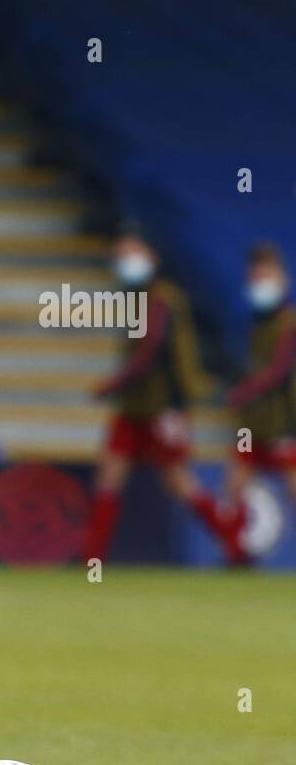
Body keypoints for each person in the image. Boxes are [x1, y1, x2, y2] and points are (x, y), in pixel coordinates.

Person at [82, 226, 242, 564]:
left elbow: (151, 348)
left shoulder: (162, 298)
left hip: (163, 408)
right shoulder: (136, 298)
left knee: (178, 480)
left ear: (152, 257)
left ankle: (235, 545)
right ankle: (92, 557)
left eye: (131, 254)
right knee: (109, 475)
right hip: (134, 408)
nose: (125, 262)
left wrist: (115, 382)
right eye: (120, 256)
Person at [223, 242, 296, 551]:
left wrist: (245, 390)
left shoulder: (289, 322)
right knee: (234, 486)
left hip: (284, 421)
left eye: (265, 276)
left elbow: (278, 370)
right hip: (254, 423)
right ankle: (235, 553)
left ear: (282, 280)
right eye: (254, 278)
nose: (259, 284)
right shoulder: (254, 322)